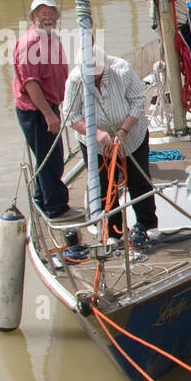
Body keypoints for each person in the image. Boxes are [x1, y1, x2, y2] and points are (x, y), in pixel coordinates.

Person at [62, 49, 159, 249]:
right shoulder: (75, 80)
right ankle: (112, 230)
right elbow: (71, 115)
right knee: (104, 184)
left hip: (131, 136)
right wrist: (96, 133)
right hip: (95, 143)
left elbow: (139, 100)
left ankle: (148, 224)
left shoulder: (121, 70)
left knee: (138, 180)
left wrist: (124, 130)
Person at [13, 0, 78, 222]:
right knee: (51, 160)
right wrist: (48, 114)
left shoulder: (52, 37)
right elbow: (30, 83)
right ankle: (57, 209)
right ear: (33, 17)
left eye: (51, 13)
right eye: (42, 13)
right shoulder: (30, 43)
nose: (47, 17)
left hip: (50, 105)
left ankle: (41, 199)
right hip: (37, 111)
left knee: (50, 158)